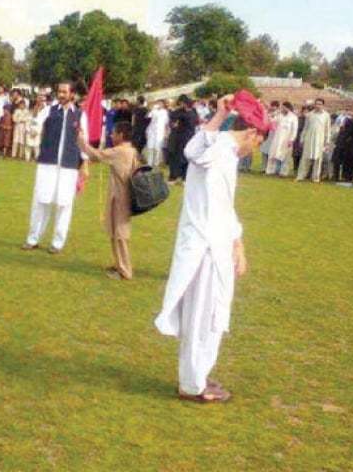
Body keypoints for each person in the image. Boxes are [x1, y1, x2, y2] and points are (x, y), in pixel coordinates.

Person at [155, 92, 268, 403]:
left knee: (208, 315)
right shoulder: (218, 151)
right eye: (257, 144)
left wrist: (238, 244)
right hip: (205, 247)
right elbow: (195, 152)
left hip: (212, 243)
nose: (253, 151)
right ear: (252, 133)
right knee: (203, 318)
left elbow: (224, 204)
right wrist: (219, 116)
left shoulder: (221, 150)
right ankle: (193, 385)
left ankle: (197, 375)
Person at [22, 81, 88, 254]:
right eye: (59, 91)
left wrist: (85, 164)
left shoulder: (80, 115)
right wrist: (34, 118)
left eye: (64, 92)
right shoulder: (49, 110)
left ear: (72, 94)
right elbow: (33, 129)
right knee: (41, 201)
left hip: (68, 166)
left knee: (64, 204)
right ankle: (33, 238)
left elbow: (83, 142)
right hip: (47, 163)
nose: (61, 95)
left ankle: (58, 242)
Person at [77, 121, 139, 280]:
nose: (111, 135)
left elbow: (95, 155)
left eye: (114, 133)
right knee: (115, 232)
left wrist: (81, 140)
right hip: (122, 197)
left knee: (120, 234)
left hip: (120, 199)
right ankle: (119, 264)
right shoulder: (132, 150)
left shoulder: (120, 151)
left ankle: (125, 270)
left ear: (121, 135)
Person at [296, 99, 331, 183]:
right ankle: (300, 176)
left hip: (320, 140)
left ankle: (315, 178)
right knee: (305, 158)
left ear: (323, 105)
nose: (318, 106)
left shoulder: (326, 115)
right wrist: (302, 139)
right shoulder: (310, 115)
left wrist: (327, 141)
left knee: (318, 159)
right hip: (309, 138)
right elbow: (305, 128)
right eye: (317, 104)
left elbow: (327, 129)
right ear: (314, 105)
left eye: (320, 104)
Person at [166, 95, 198, 183]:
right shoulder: (178, 112)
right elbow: (172, 123)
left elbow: (196, 122)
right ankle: (173, 177)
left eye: (182, 103)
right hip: (178, 138)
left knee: (186, 157)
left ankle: (185, 177)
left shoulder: (193, 111)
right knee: (176, 157)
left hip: (189, 137)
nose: (181, 104)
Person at [266, 102, 298, 177]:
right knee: (274, 154)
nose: (282, 109)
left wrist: (291, 139)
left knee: (285, 156)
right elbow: (271, 120)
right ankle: (271, 171)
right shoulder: (280, 115)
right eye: (282, 107)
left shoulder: (293, 117)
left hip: (287, 139)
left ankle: (283, 172)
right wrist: (273, 114)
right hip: (277, 138)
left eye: (284, 107)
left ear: (288, 108)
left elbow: (294, 129)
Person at [144, 99, 169, 167]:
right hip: (151, 131)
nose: (159, 104)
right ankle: (149, 163)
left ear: (163, 104)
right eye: (158, 103)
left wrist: (165, 133)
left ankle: (156, 163)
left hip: (160, 132)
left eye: (161, 103)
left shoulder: (165, 112)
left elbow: (166, 124)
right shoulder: (154, 110)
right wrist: (150, 109)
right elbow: (147, 117)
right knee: (150, 147)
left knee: (158, 148)